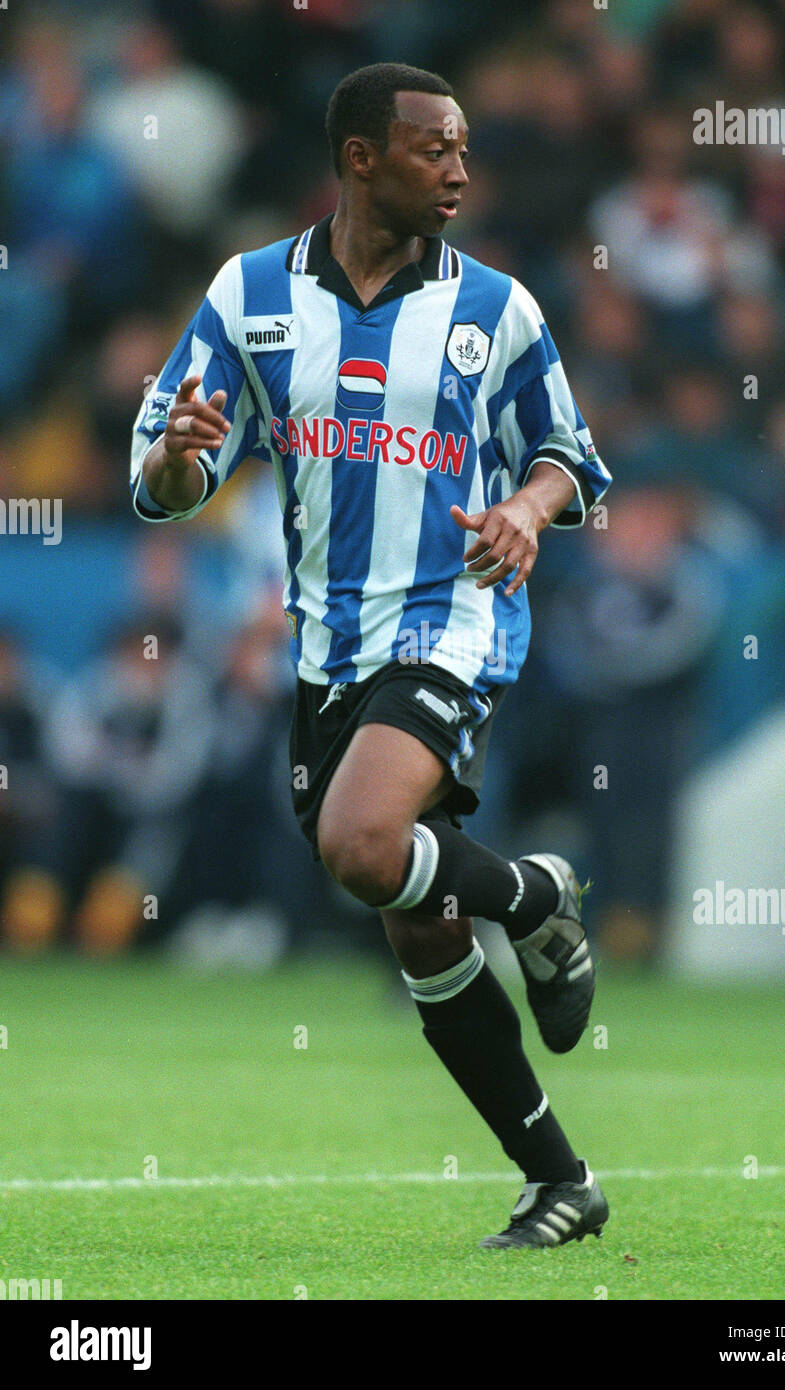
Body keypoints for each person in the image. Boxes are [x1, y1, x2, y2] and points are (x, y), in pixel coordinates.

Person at [130, 63, 611, 1249]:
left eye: (463, 148)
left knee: (360, 844)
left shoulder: (496, 309)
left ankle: (541, 897)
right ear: (359, 157)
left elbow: (567, 451)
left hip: (452, 618)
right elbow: (165, 469)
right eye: (432, 148)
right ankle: (560, 1176)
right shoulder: (249, 295)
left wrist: (529, 510)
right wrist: (182, 461)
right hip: (326, 648)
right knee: (420, 926)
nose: (457, 169)